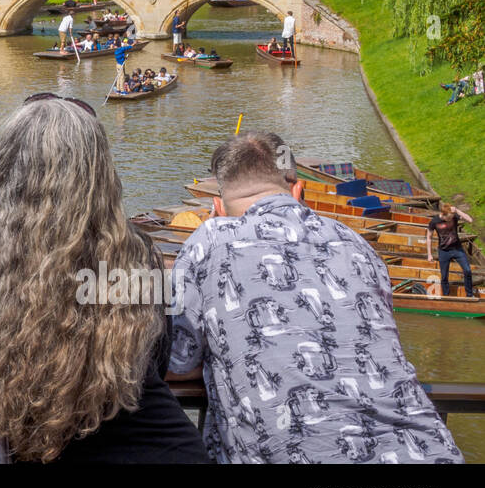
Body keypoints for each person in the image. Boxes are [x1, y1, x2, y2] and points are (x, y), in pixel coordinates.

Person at [0, 96, 210, 463]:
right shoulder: (135, 250)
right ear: (100, 171)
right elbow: (155, 364)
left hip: (29, 443)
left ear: (5, 165)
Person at [168, 131, 461, 463]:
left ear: (217, 207)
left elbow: (178, 360)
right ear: (299, 191)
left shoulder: (208, 240)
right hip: (429, 452)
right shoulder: (354, 243)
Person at [427, 203, 476, 297]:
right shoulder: (434, 221)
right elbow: (429, 237)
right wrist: (429, 254)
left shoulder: (454, 216)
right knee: (444, 276)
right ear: (443, 214)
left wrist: (457, 210)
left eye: (451, 217)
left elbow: (470, 220)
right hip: (443, 251)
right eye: (448, 218)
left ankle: (469, 295)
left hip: (457, 249)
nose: (450, 219)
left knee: (467, 271)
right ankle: (446, 296)